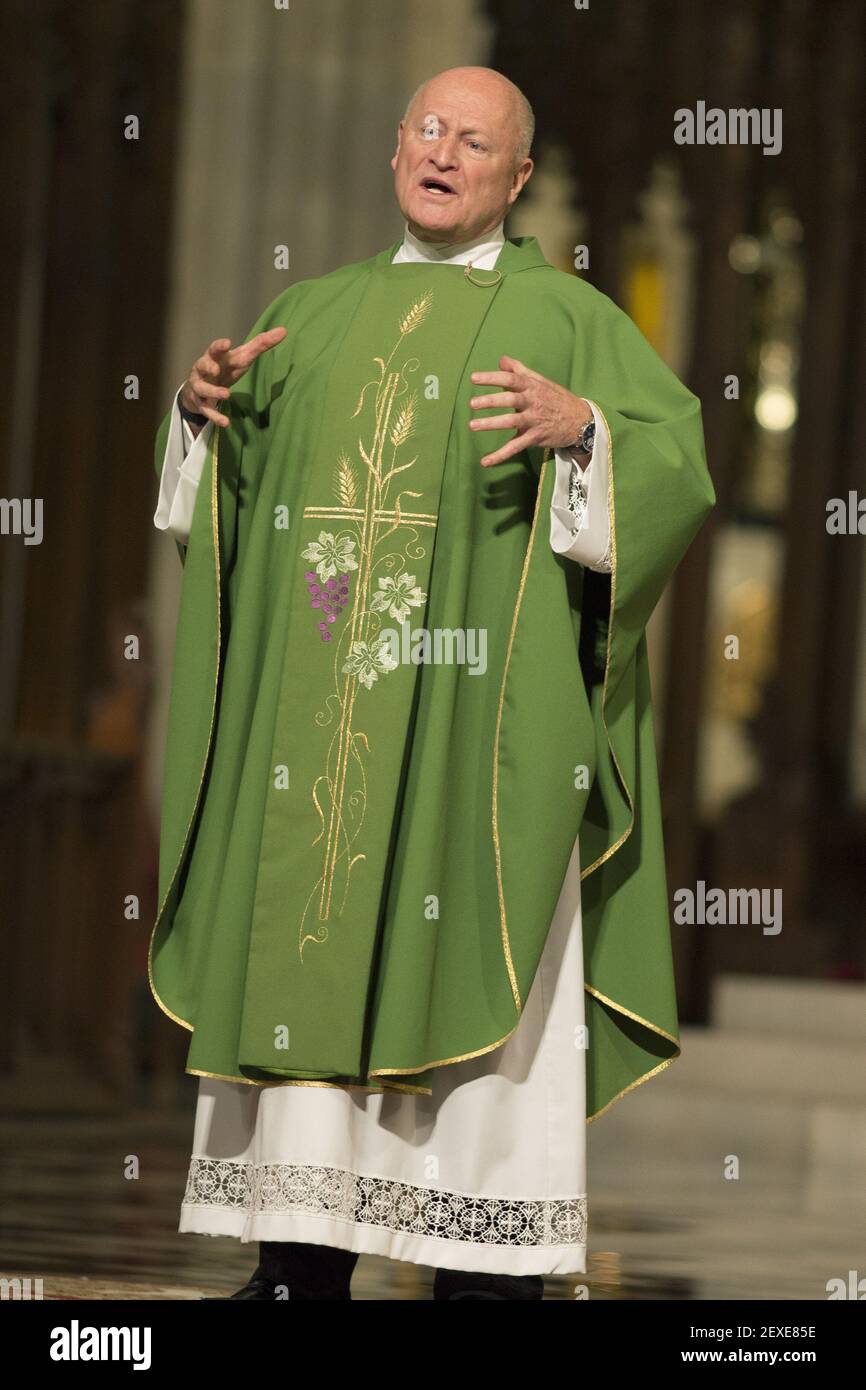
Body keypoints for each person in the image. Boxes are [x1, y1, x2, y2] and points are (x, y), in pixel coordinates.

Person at [150, 66, 714, 1300]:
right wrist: (198, 422)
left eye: (475, 142)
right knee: (310, 916)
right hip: (321, 725)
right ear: (394, 148)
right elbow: (224, 519)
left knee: (474, 939)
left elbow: (675, 467)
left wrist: (587, 435)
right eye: (426, 129)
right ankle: (295, 1257)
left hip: (478, 739)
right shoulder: (311, 312)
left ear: (517, 182)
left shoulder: (568, 321)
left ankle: (479, 1265)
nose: (442, 152)